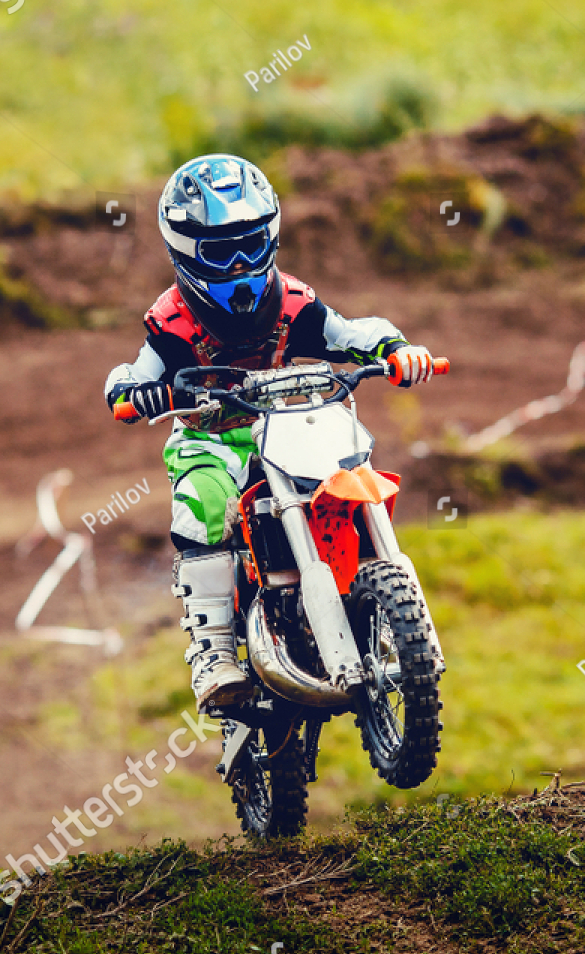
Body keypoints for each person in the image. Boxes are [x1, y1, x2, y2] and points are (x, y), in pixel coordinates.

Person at [104, 154, 439, 708]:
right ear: (185, 254)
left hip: (290, 424)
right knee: (203, 500)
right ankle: (213, 653)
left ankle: (377, 603)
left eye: (251, 244)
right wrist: (134, 395)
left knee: (352, 460)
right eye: (220, 250)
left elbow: (352, 332)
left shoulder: (293, 301)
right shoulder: (171, 323)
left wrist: (398, 350)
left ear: (272, 238)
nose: (239, 264)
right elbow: (129, 377)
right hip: (211, 438)